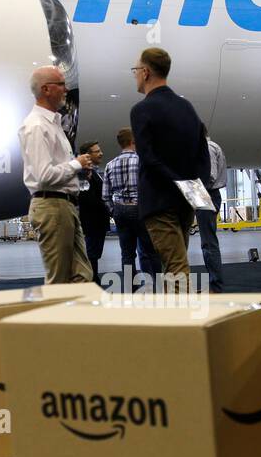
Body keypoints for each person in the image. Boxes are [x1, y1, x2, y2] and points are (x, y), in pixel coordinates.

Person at [130, 47, 211, 291]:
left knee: (176, 268)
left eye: (135, 70)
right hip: (186, 200)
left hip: (158, 200)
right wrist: (194, 187)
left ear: (145, 72)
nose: (135, 75)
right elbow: (202, 152)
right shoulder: (187, 107)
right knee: (174, 265)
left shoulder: (141, 110)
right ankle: (172, 320)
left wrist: (175, 182)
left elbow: (148, 158)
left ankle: (183, 325)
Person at [19, 65, 97, 284]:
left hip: (63, 206)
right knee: (59, 280)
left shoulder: (52, 124)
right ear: (46, 89)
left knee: (82, 275)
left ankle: (72, 318)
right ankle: (54, 317)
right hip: (52, 206)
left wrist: (77, 171)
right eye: (61, 84)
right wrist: (76, 165)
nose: (66, 89)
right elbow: (43, 175)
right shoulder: (36, 127)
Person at [102, 127, 160, 287]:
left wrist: (114, 211)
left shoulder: (110, 165)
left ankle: (130, 289)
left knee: (127, 254)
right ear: (133, 141)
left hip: (120, 210)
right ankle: (160, 287)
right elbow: (153, 188)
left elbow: (105, 196)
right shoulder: (142, 161)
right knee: (152, 252)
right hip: (140, 209)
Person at [76, 139, 111, 282]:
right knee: (92, 253)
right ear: (87, 155)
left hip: (96, 221)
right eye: (97, 151)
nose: (101, 153)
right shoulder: (85, 174)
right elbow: (86, 198)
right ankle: (92, 281)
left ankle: (93, 279)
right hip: (92, 221)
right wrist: (106, 206)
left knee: (94, 253)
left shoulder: (94, 173)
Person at [197, 130, 227, 292]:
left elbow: (209, 176)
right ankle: (215, 284)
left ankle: (216, 286)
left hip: (205, 194)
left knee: (208, 243)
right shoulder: (211, 146)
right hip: (209, 195)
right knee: (208, 242)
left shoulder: (206, 148)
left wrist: (192, 188)